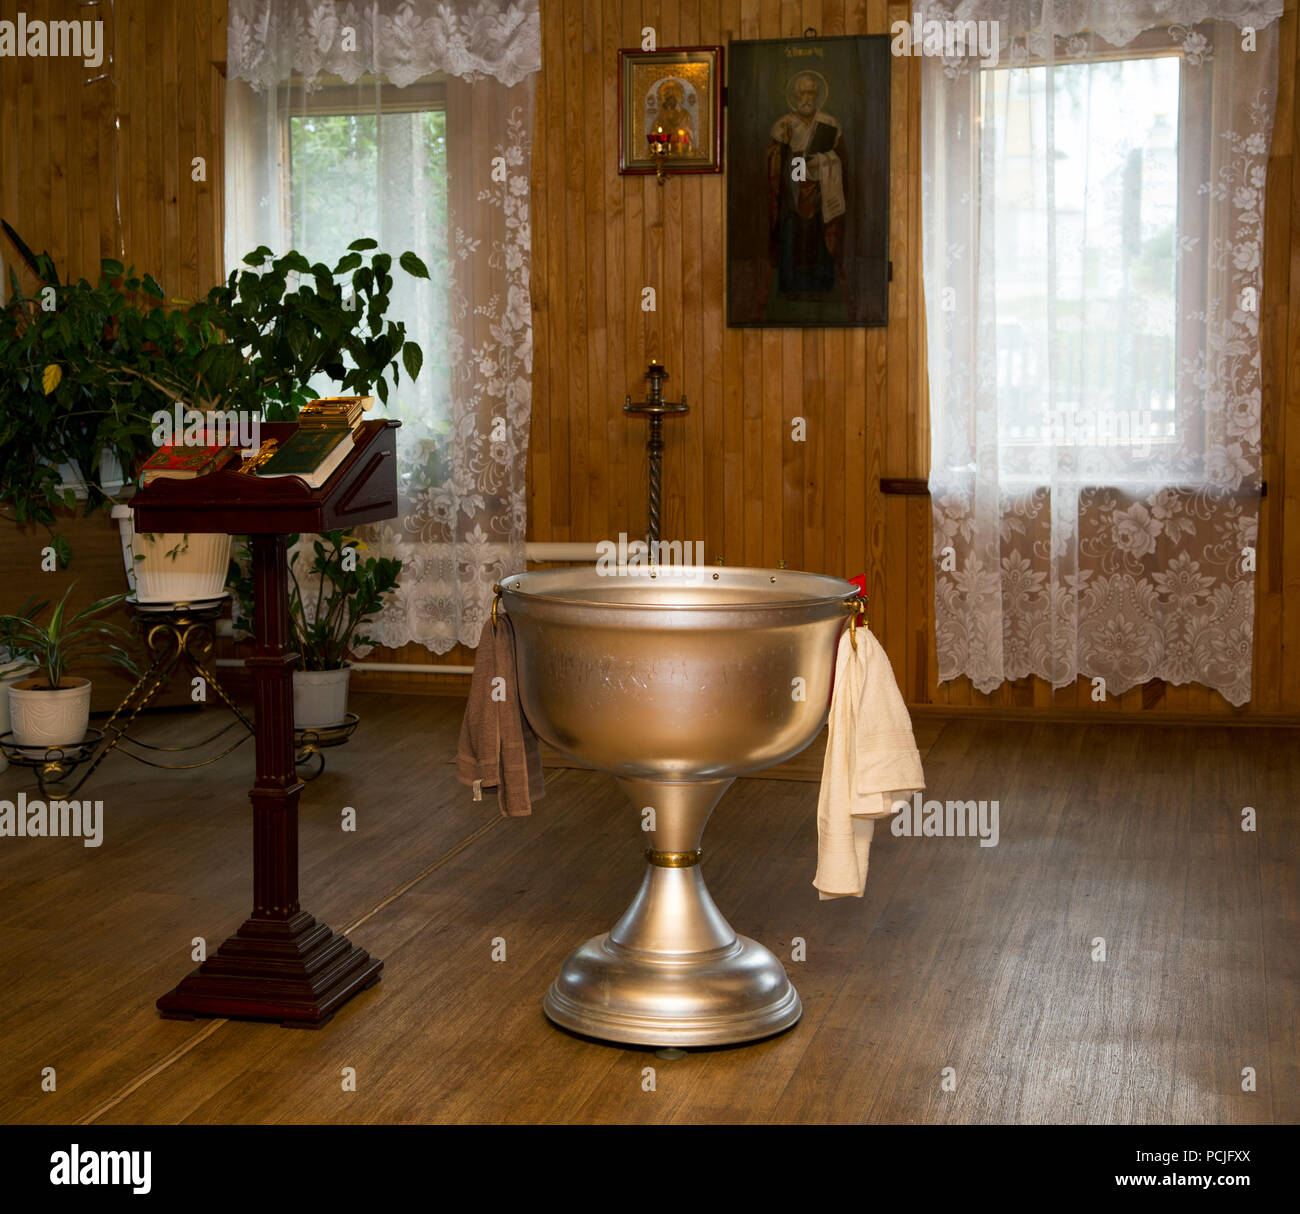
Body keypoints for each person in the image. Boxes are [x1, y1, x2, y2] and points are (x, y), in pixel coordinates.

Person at [766, 72, 846, 298]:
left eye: (811, 93)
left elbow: (842, 158)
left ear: (818, 95)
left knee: (820, 232)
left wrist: (822, 160)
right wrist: (793, 160)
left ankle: (822, 281)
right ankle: (791, 283)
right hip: (793, 188)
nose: (806, 98)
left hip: (823, 187)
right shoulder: (783, 125)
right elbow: (775, 162)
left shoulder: (829, 123)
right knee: (794, 231)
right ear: (794, 95)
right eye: (802, 93)